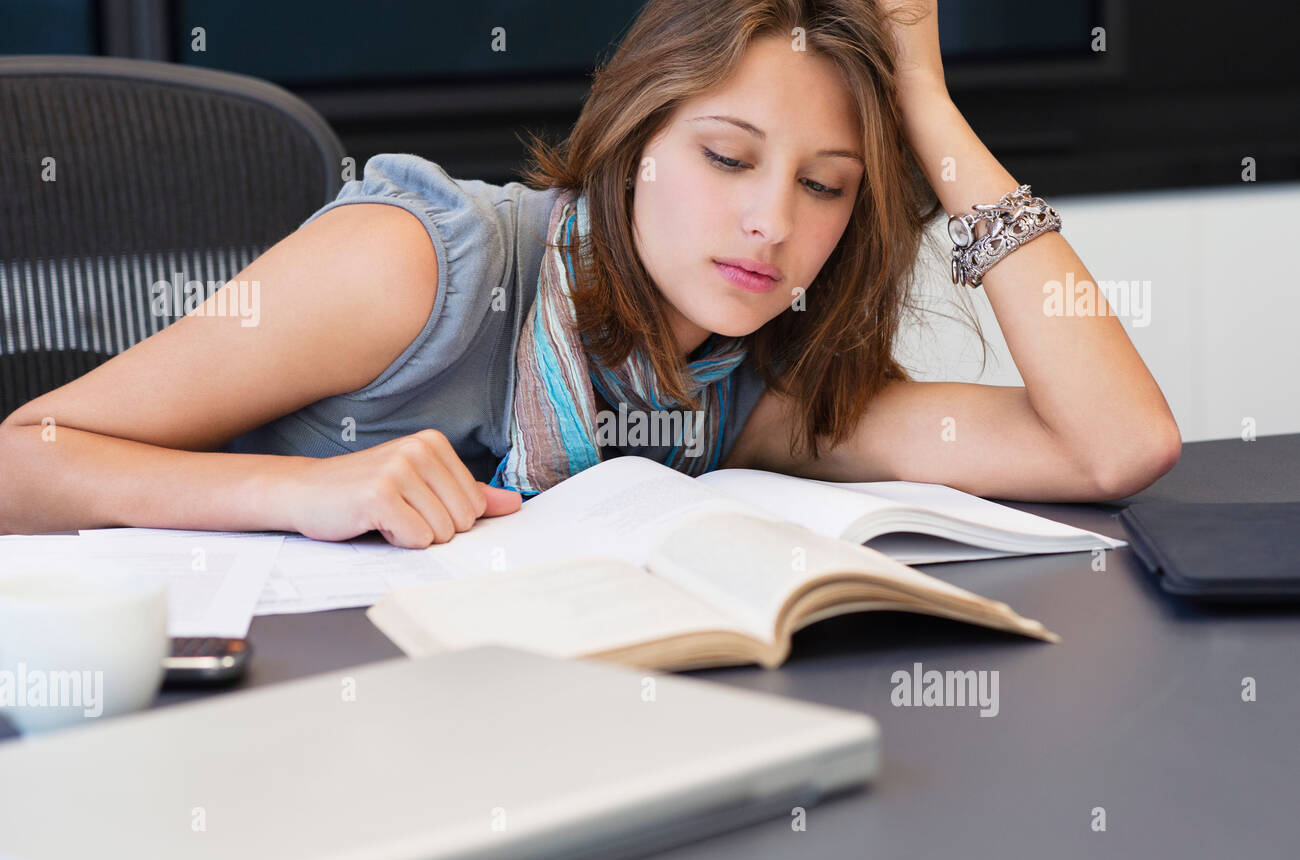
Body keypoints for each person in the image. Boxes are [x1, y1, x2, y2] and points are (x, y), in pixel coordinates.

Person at [0, 0, 1181, 549]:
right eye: (726, 157)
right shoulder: (420, 263)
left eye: (825, 186)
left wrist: (927, 103)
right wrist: (309, 495)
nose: (770, 223)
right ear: (630, 146)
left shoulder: (749, 390)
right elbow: (21, 462)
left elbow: (1111, 448)